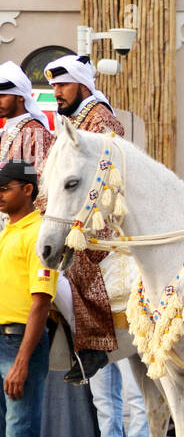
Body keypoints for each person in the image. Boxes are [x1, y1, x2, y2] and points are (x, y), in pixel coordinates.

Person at [43, 54, 127, 385]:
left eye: (62, 85)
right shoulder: (73, 122)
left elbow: (106, 182)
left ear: (81, 85)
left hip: (96, 226)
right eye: (53, 87)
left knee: (51, 269)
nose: (56, 93)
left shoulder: (102, 121)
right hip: (66, 218)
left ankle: (90, 342)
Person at [0, 160, 57, 437]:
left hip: (21, 339)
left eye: (6, 186)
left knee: (21, 435)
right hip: (1, 337)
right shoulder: (10, 231)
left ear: (28, 191)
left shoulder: (39, 233)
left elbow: (41, 302)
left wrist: (22, 359)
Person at [0, 62, 54, 188]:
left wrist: (19, 174)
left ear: (21, 97)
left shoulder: (36, 132)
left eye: (2, 96)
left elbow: (40, 176)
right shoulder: (7, 130)